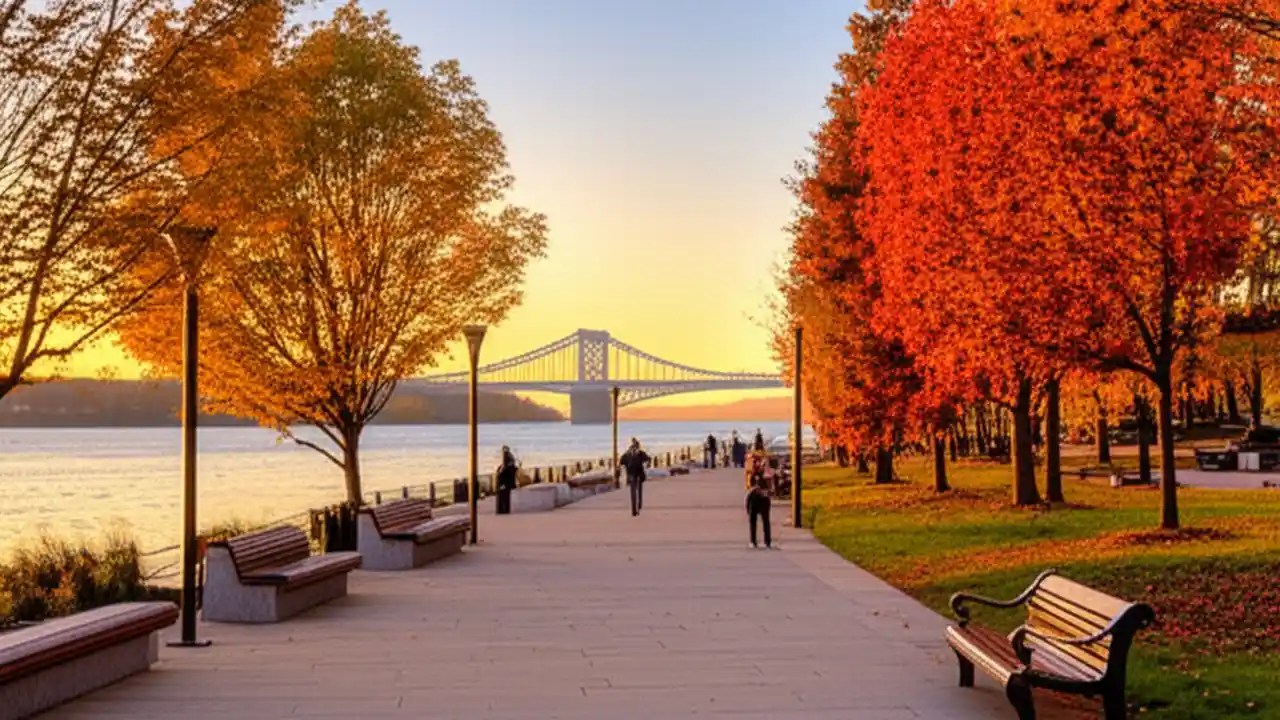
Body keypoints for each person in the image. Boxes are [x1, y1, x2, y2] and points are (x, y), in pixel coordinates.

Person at [620, 438, 650, 517]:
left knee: (638, 491)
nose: (634, 448)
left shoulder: (640, 453)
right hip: (632, 474)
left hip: (638, 474)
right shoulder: (627, 454)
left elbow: (647, 459)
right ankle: (635, 509)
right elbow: (621, 462)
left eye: (635, 446)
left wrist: (646, 463)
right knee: (634, 492)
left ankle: (638, 505)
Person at [746, 462, 773, 549]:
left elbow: (771, 488)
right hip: (754, 498)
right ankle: (753, 541)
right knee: (753, 520)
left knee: (765, 520)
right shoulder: (754, 474)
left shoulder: (768, 475)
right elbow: (750, 485)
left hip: (763, 499)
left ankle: (767, 541)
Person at [495, 446, 519, 514]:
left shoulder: (507, 464)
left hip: (505, 484)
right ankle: (503, 510)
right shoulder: (507, 463)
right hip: (506, 484)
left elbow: (504, 474)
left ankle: (503, 510)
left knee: (503, 497)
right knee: (504, 497)